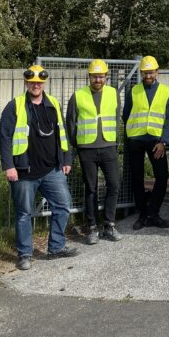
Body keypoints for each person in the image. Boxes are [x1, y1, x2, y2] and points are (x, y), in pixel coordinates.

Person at [0, 65, 77, 270]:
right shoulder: (15, 105)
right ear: (26, 83)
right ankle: (24, 254)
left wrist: (66, 159)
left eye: (39, 83)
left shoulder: (53, 104)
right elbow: (4, 138)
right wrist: (8, 166)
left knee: (63, 205)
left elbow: (63, 133)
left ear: (44, 84)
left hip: (52, 169)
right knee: (24, 213)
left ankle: (56, 247)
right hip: (24, 171)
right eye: (32, 82)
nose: (36, 85)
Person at [65, 59, 122, 245]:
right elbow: (70, 123)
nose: (98, 79)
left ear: (106, 76)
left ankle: (109, 224)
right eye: (94, 76)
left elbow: (116, 117)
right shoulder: (78, 95)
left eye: (101, 76)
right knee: (91, 188)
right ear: (89, 77)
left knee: (113, 184)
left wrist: (113, 141)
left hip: (108, 146)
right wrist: (77, 144)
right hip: (87, 149)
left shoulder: (114, 93)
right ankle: (92, 227)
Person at [123, 56, 169, 230]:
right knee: (137, 178)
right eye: (145, 72)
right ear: (141, 72)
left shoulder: (167, 92)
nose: (148, 75)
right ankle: (143, 215)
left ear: (157, 72)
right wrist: (132, 135)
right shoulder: (134, 91)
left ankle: (154, 213)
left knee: (162, 176)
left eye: (151, 72)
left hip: (156, 142)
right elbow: (126, 114)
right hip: (136, 141)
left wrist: (164, 141)